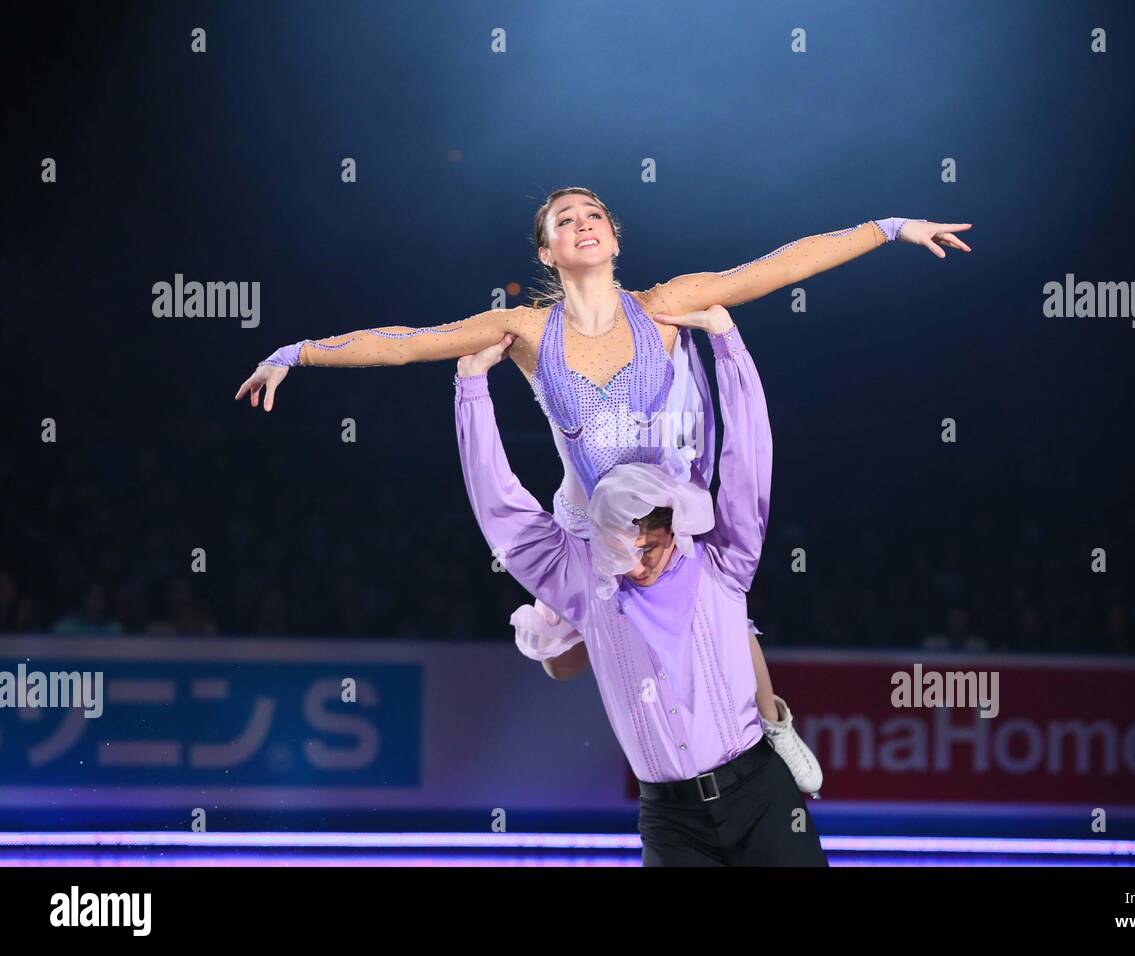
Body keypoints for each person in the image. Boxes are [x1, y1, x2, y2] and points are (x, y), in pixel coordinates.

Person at [236, 186, 973, 791]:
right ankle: (591, 633)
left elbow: (781, 266)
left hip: (667, 515)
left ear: (614, 239)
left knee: (722, 609)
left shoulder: (664, 305)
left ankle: (771, 725)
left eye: (594, 216)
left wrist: (891, 226)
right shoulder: (523, 330)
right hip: (589, 528)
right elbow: (406, 343)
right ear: (547, 251)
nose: (583, 225)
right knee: (560, 661)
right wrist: (294, 353)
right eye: (566, 220)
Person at [454, 301, 826, 865]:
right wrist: (472, 388)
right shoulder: (588, 581)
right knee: (560, 656)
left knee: (735, 622)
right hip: (670, 818)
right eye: (621, 550)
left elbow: (748, 462)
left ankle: (776, 726)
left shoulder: (721, 560)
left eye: (648, 547)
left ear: (671, 531)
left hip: (760, 795)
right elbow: (501, 513)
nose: (635, 564)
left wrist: (729, 346)